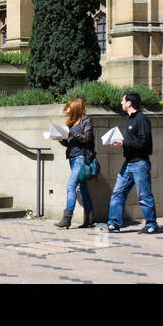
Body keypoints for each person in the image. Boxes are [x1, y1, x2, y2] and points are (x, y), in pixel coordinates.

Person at [108, 90, 158, 234]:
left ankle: (151, 224)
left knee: (144, 194)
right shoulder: (129, 119)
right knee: (118, 192)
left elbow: (144, 142)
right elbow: (131, 141)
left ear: (129, 103)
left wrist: (123, 143)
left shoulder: (141, 119)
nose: (121, 103)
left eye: (123, 100)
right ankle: (113, 223)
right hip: (128, 163)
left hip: (140, 164)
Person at [54, 96, 96, 229]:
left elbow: (87, 138)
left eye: (68, 107)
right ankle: (90, 219)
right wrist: (61, 139)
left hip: (81, 159)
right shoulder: (71, 123)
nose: (66, 109)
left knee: (70, 186)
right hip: (72, 158)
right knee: (82, 189)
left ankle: (67, 218)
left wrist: (70, 132)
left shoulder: (86, 121)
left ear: (75, 108)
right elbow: (69, 143)